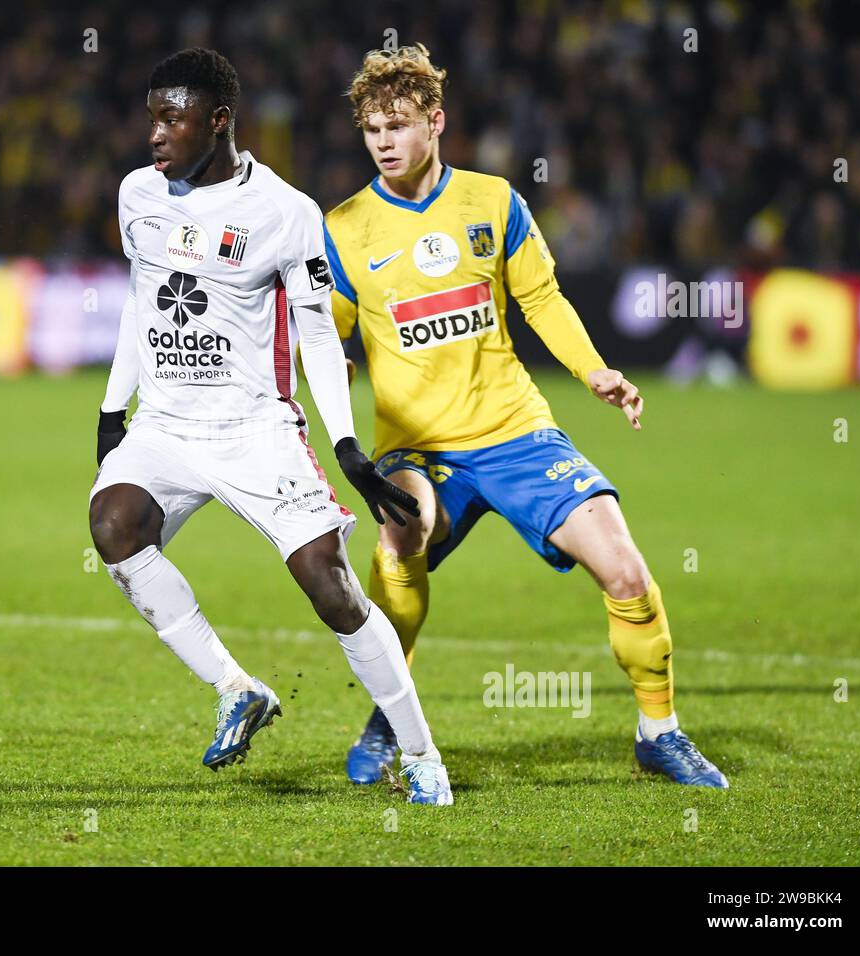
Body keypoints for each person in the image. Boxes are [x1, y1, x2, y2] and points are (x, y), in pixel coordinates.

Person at [323, 44, 728, 789]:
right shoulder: (345, 227)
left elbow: (541, 298)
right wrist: (325, 368)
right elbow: (330, 329)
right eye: (371, 129)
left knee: (626, 570)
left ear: (435, 121)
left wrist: (595, 370)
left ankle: (659, 734)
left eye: (398, 125)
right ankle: (390, 718)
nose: (382, 141)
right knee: (398, 529)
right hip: (416, 447)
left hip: (514, 431)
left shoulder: (495, 200)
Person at [88, 47, 453, 803]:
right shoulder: (136, 194)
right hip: (165, 423)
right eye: (151, 117)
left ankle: (420, 757)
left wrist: (347, 443)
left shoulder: (285, 213)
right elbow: (141, 298)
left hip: (253, 428)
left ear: (218, 121)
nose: (155, 135)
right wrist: (109, 409)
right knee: (114, 524)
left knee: (329, 584)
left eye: (173, 119)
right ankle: (234, 688)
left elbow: (318, 333)